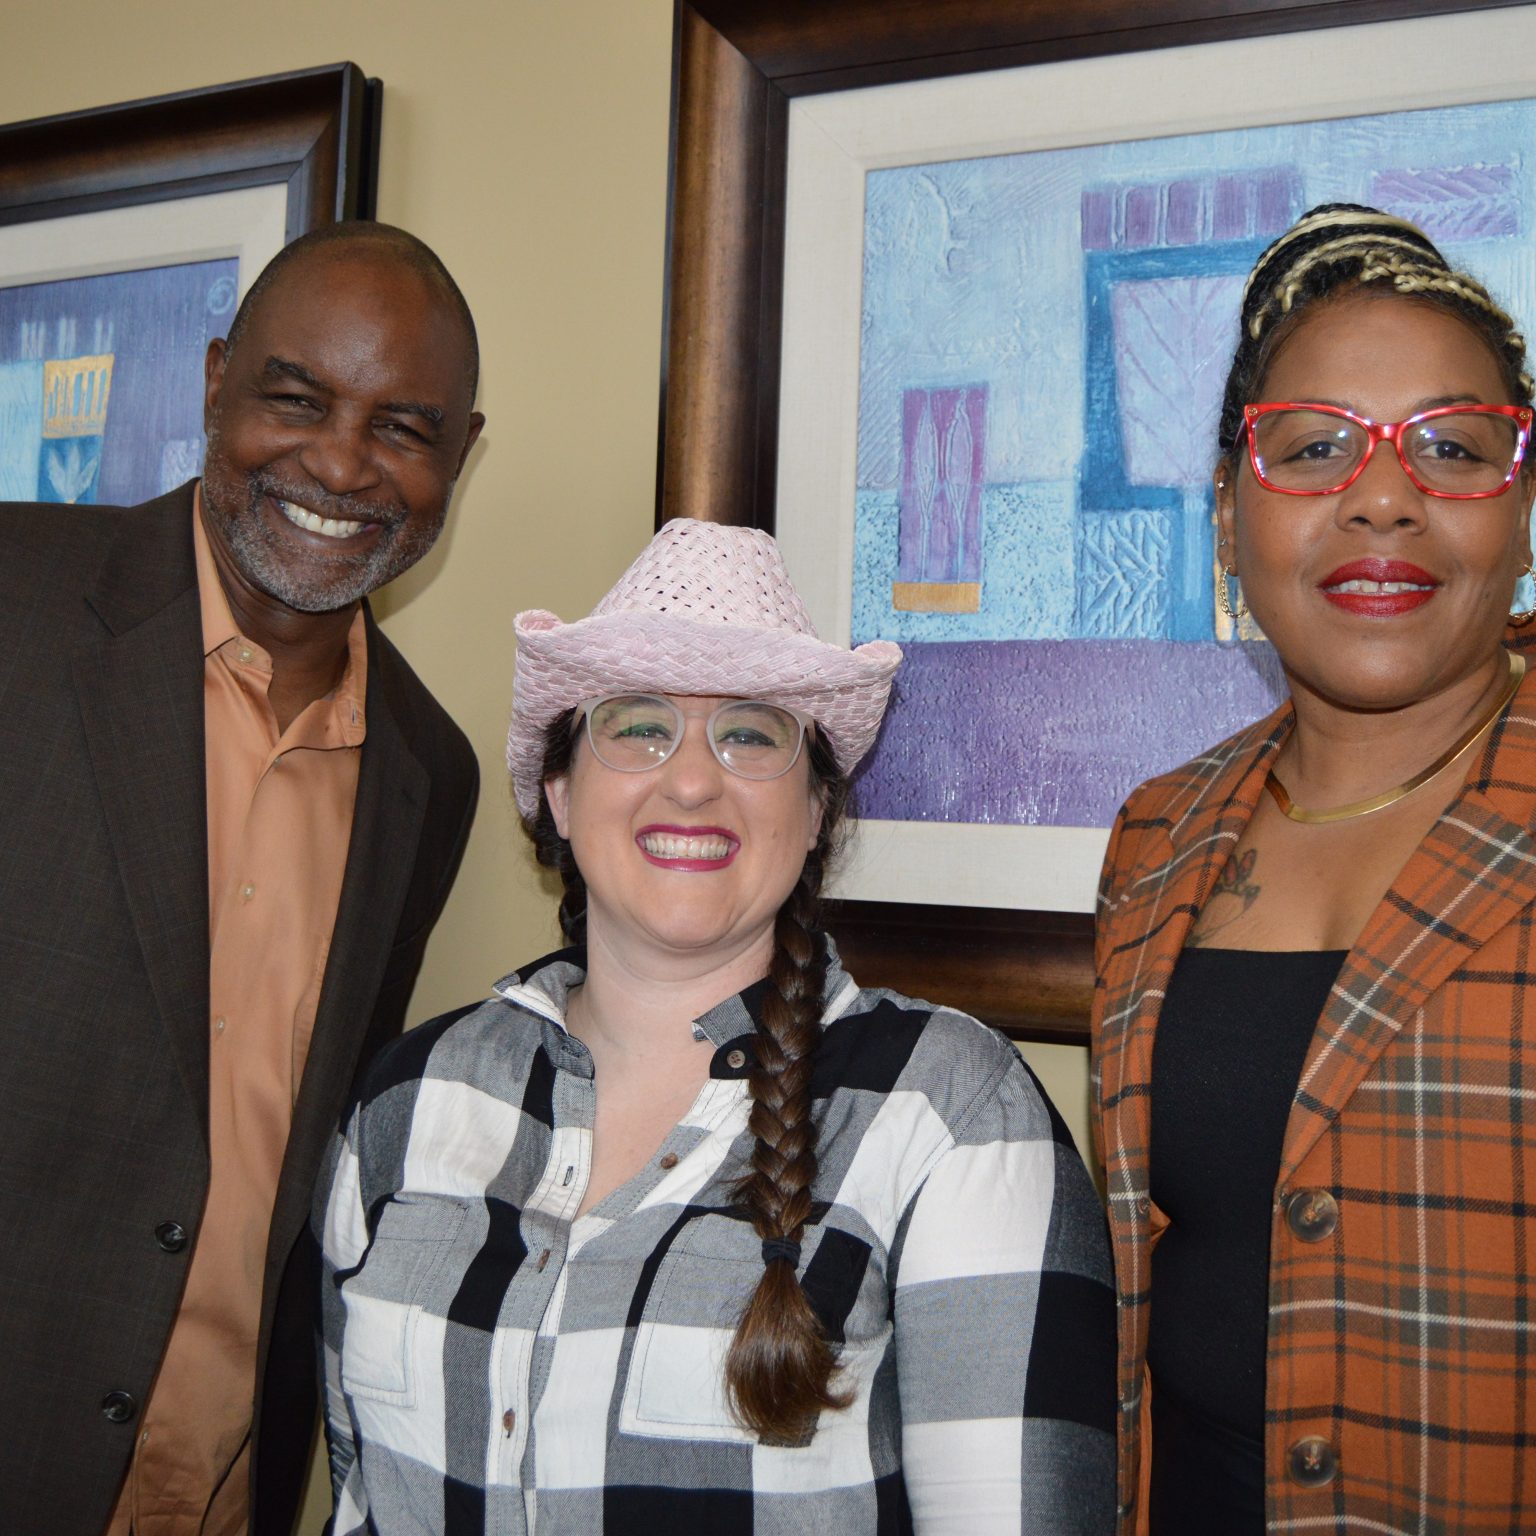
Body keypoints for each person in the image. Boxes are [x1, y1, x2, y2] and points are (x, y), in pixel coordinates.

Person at [316, 517, 1117, 1534]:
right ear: (559, 793)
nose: (691, 779)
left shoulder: (950, 1115)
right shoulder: (406, 1099)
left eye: (749, 732)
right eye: (638, 725)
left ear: (819, 806)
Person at [0, 221, 483, 1536]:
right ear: (216, 383)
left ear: (461, 460)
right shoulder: (16, 599)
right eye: (296, 398)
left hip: (207, 1489)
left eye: (404, 427)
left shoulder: (428, 775)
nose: (340, 462)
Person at [1092, 203, 1536, 1533]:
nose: (1385, 496)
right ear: (1230, 516)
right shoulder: (1158, 838)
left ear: (1522, 510)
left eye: (1454, 449)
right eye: (1314, 450)